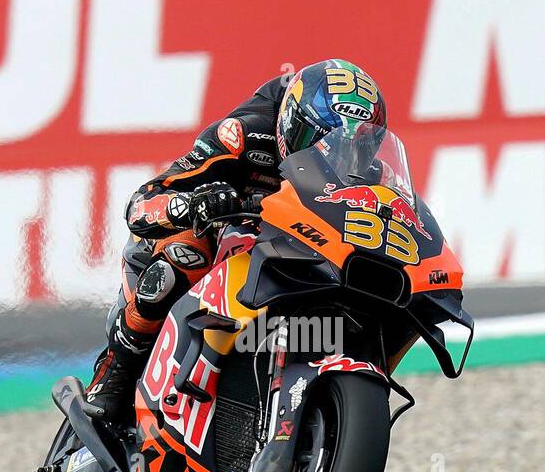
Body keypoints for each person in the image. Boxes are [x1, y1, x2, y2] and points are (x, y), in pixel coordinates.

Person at [82, 59, 388, 424]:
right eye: (322, 143)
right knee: (183, 257)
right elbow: (143, 201)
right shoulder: (244, 134)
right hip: (219, 235)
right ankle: (116, 369)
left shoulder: (370, 176)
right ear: (293, 125)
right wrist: (193, 203)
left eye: (355, 147)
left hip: (296, 250)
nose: (337, 159)